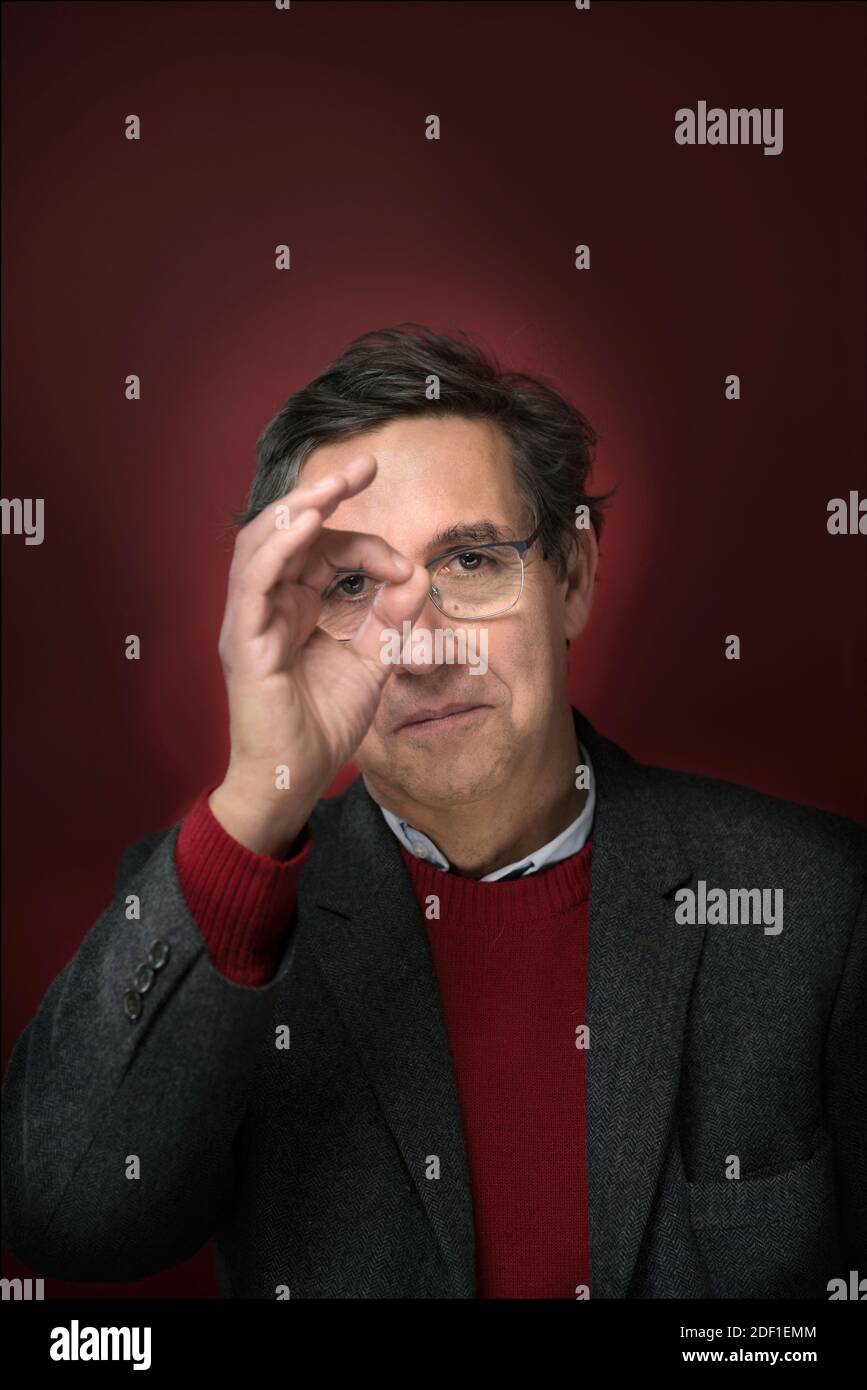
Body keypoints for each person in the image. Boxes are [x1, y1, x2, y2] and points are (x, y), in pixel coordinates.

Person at [2, 325, 864, 1299]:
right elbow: (61, 1215)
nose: (419, 647)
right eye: (353, 585)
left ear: (571, 578)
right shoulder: (221, 912)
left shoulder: (813, 905)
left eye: (470, 562)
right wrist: (259, 794)